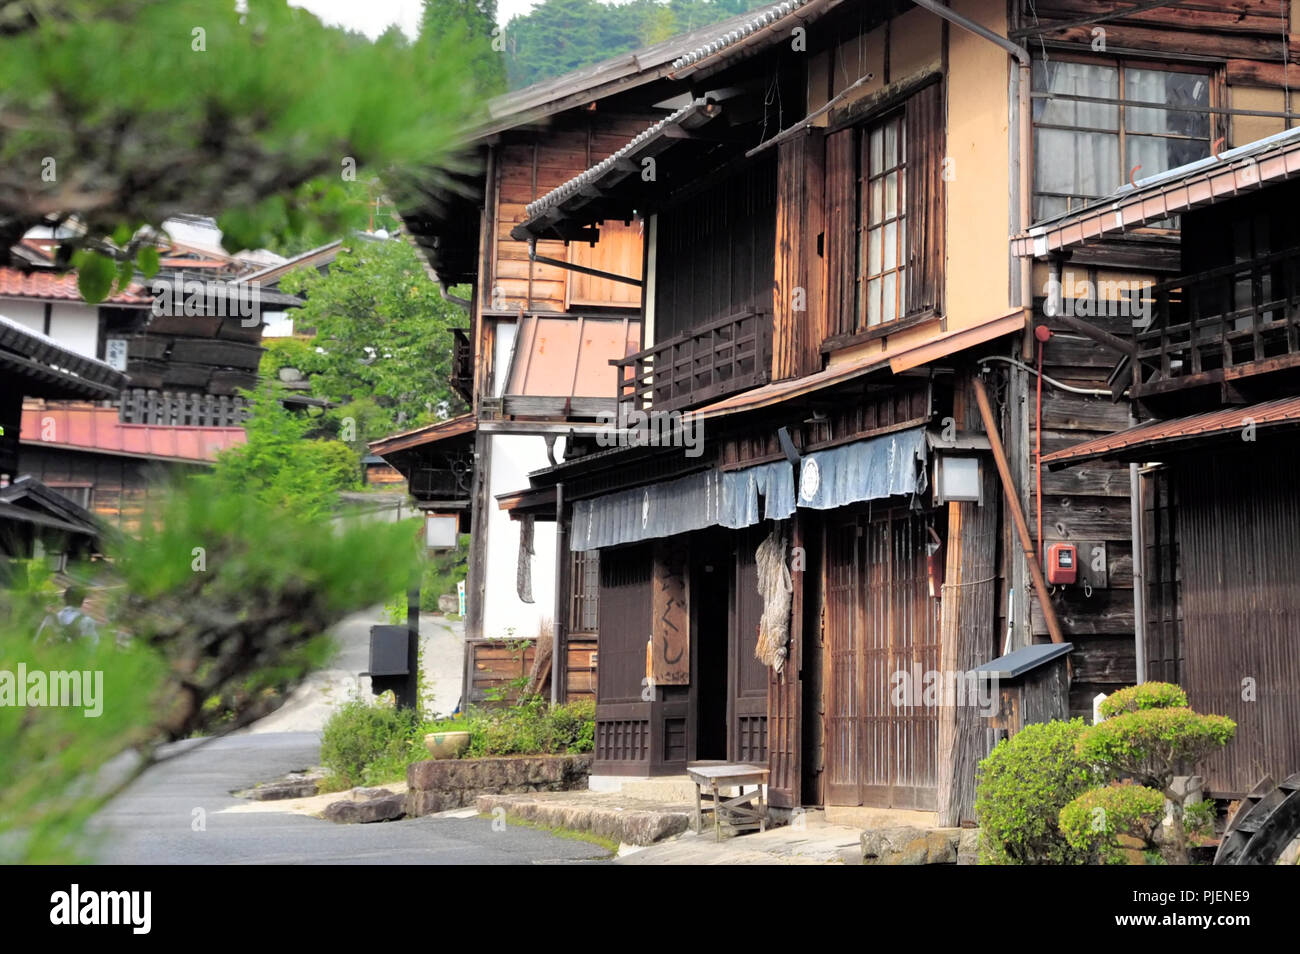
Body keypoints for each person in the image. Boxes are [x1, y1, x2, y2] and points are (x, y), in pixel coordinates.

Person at [35, 585, 100, 645]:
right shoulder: (87, 621)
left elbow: (37, 642)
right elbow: (92, 648)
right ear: (81, 602)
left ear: (64, 599)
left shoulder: (51, 618)